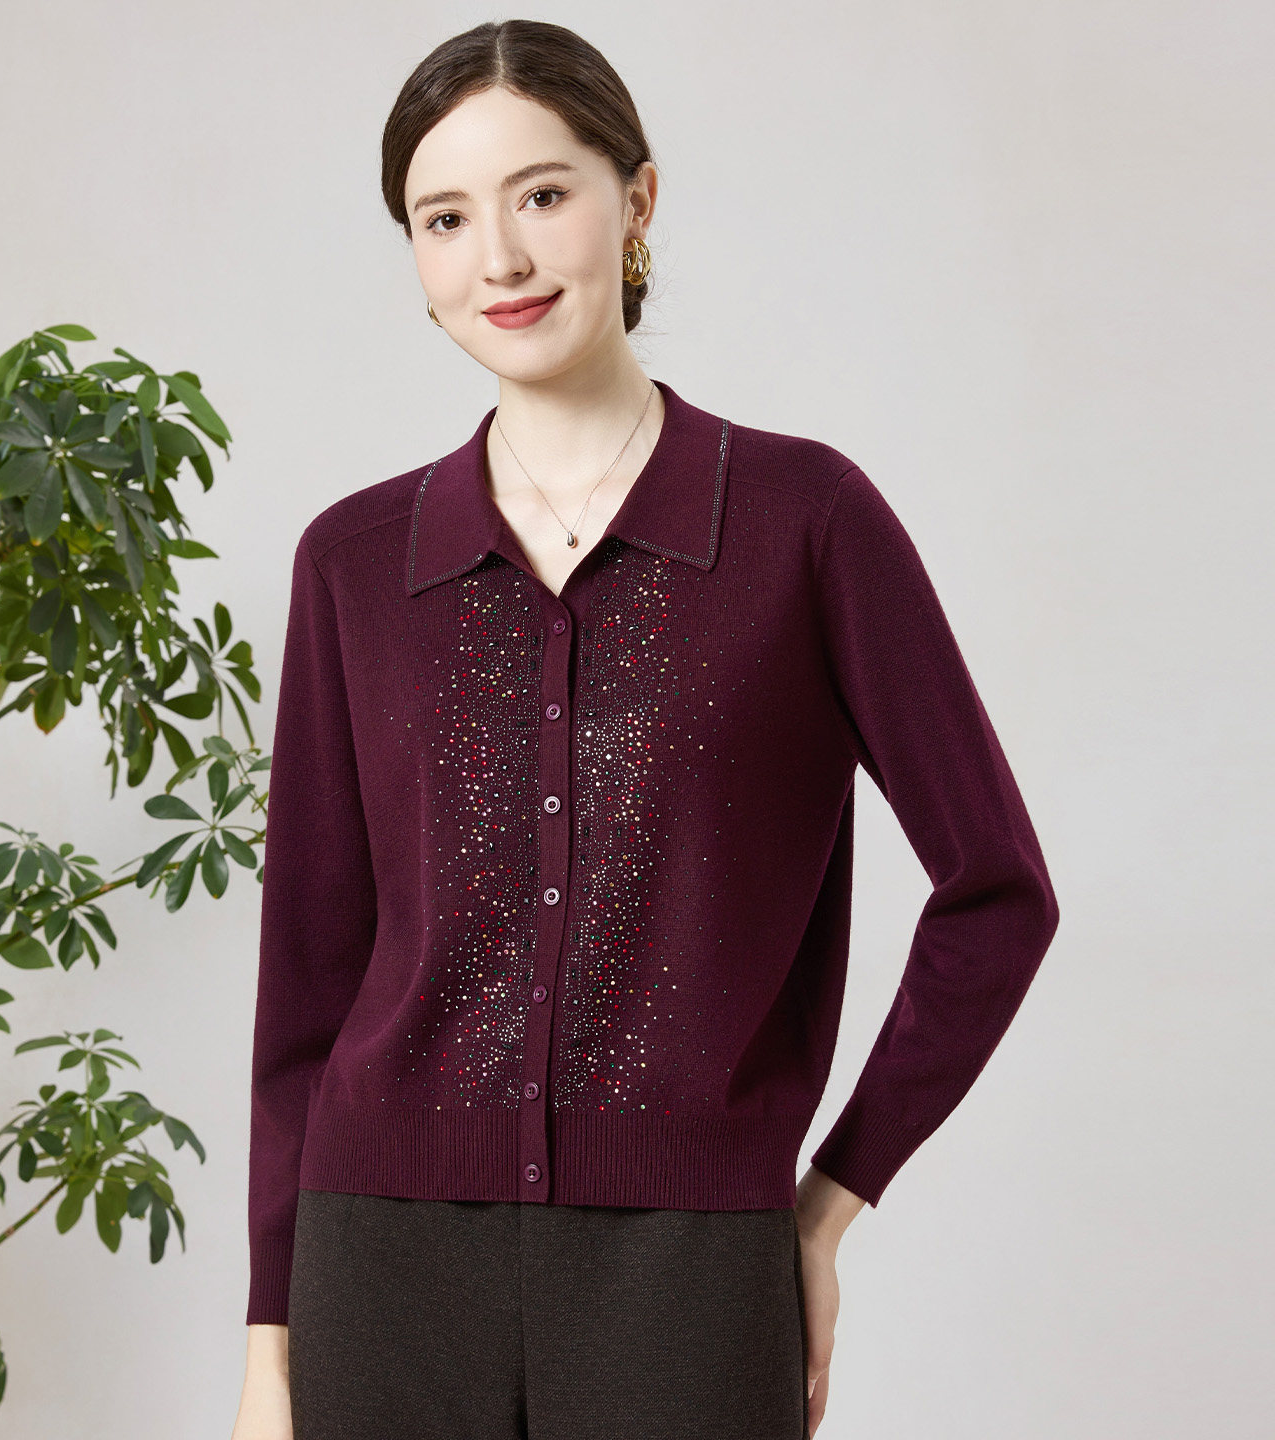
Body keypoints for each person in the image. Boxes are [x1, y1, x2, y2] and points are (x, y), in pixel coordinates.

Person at [232, 19, 1059, 1440]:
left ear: (638, 202)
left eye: (543, 194)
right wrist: (270, 1346)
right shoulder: (354, 564)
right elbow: (305, 986)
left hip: (689, 1280)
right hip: (380, 1272)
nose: (500, 258)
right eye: (445, 219)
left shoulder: (806, 524)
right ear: (415, 258)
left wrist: (828, 1201)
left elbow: (1000, 894)